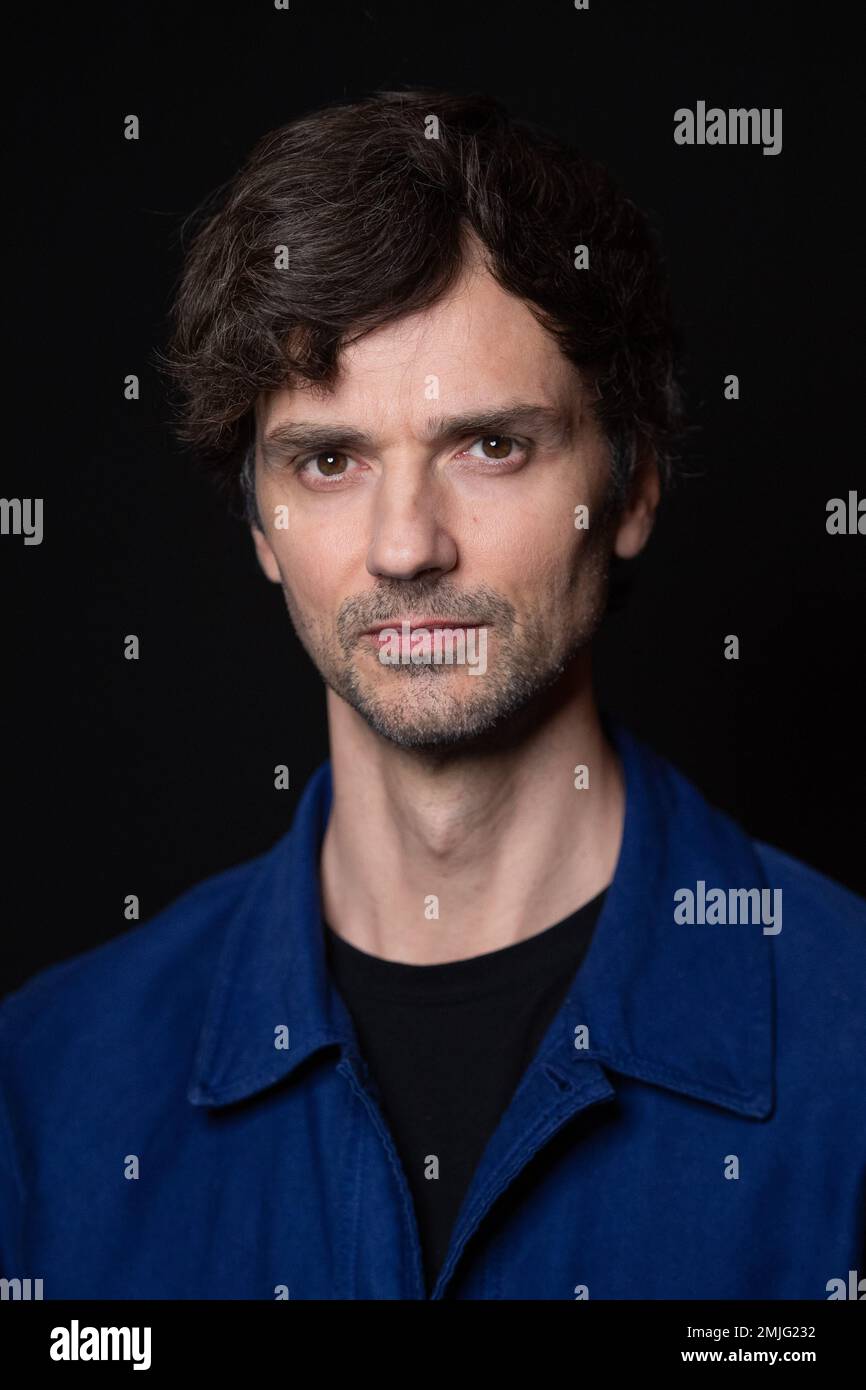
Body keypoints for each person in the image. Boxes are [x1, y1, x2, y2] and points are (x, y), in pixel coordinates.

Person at [1, 90, 863, 1302]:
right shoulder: (46, 1089)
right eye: (328, 460)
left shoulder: (851, 1048)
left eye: (489, 447)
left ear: (628, 489)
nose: (406, 547)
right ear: (261, 522)